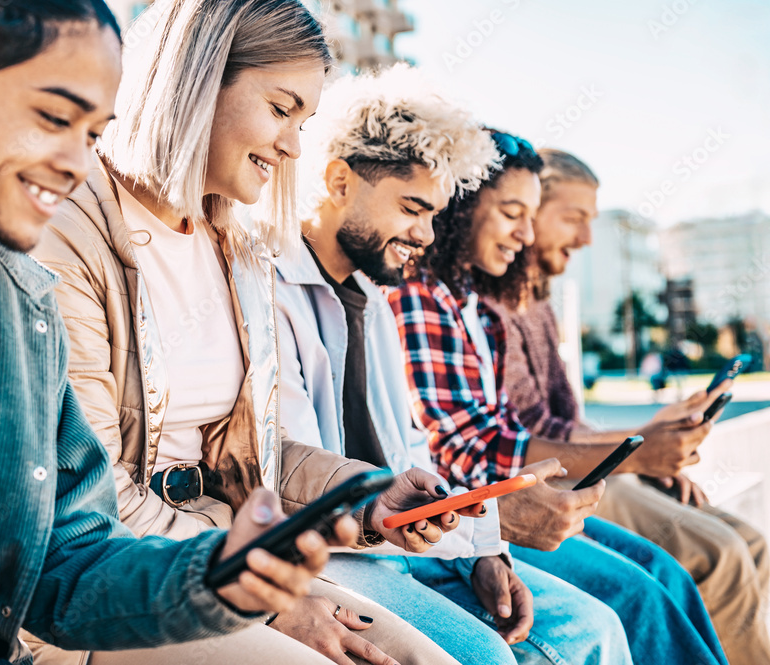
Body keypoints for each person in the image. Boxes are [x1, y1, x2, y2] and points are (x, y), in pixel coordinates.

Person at [0, 2, 348, 663]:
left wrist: (216, 574)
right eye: (53, 118)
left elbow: (66, 557)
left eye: (94, 134)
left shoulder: (19, 305)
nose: (77, 162)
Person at [25, 2, 465, 664]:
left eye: (304, 121)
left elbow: (260, 455)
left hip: (229, 551)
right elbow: (96, 494)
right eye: (281, 108)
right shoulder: (71, 228)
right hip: (116, 582)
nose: (294, 145)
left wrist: (372, 496)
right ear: (199, 83)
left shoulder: (240, 245)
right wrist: (263, 593)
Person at [273, 65, 634, 665]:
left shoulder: (377, 296)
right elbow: (293, 481)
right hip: (332, 555)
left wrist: (483, 554)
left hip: (406, 545)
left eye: (435, 215)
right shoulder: (271, 291)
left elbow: (413, 452)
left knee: (593, 628)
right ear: (339, 182)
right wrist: (491, 527)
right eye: (413, 208)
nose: (425, 234)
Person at [390, 130, 730, 665]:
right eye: (512, 213)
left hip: (504, 502)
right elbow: (471, 449)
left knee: (665, 575)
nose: (524, 234)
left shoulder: (473, 306)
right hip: (479, 514)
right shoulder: (428, 295)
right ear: (464, 206)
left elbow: (541, 421)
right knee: (641, 596)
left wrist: (643, 445)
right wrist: (638, 452)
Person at [491, 147, 770, 664]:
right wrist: (639, 453)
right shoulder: (487, 305)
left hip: (584, 470)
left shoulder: (537, 303)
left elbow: (563, 420)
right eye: (573, 219)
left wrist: (645, 450)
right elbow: (519, 439)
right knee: (721, 556)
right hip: (551, 482)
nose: (585, 238)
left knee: (751, 542)